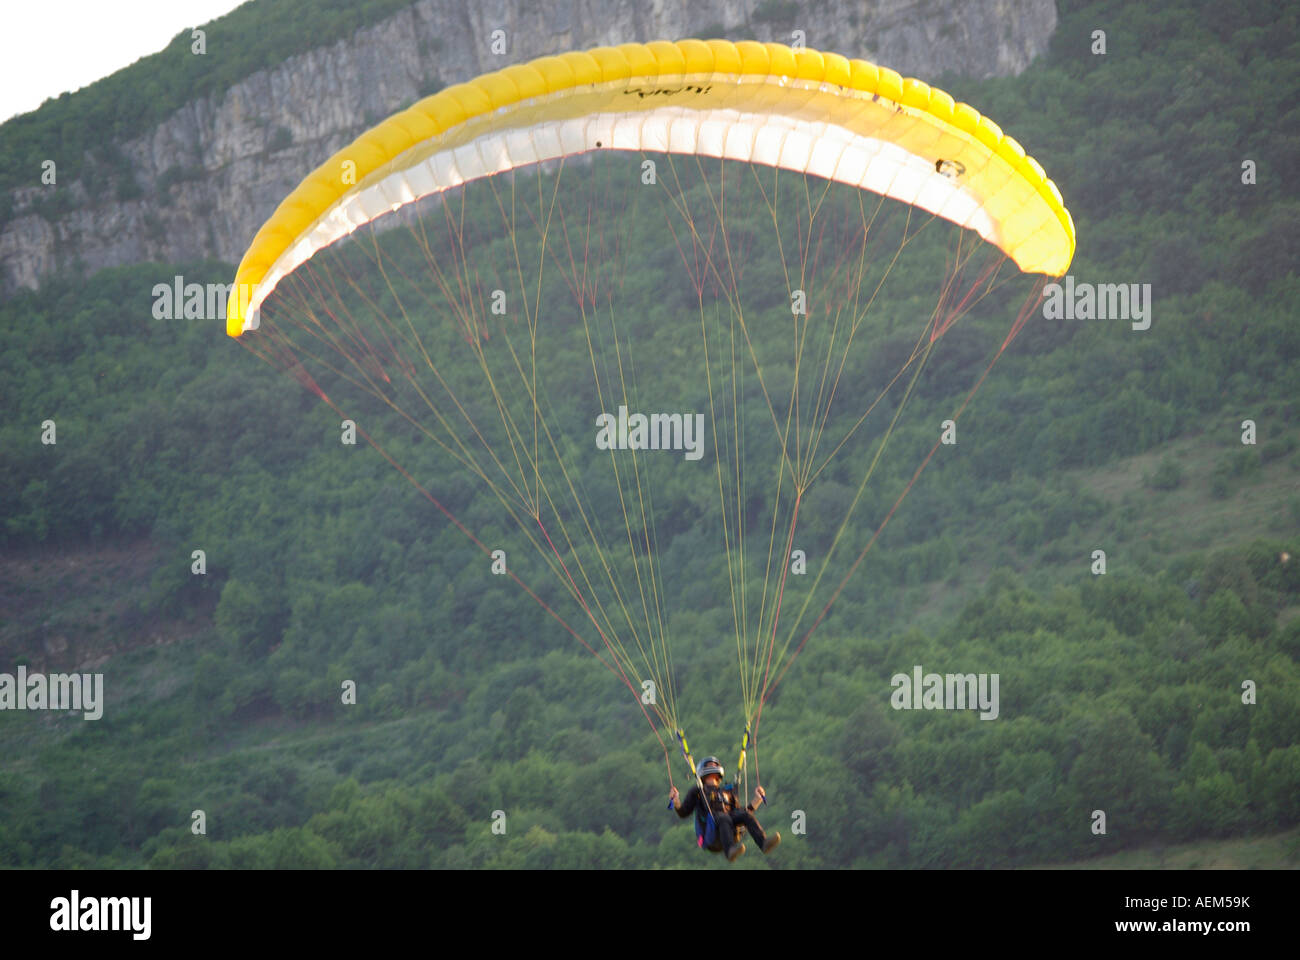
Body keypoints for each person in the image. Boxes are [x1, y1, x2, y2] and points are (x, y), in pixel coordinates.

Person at [669, 756, 781, 861]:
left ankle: (763, 843)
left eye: (715, 765)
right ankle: (730, 851)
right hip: (712, 834)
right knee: (723, 817)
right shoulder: (698, 791)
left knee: (744, 814)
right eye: (709, 765)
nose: (713, 766)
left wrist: (757, 800)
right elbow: (683, 812)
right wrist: (676, 801)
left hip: (730, 830)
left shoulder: (727, 792)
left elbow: (740, 812)